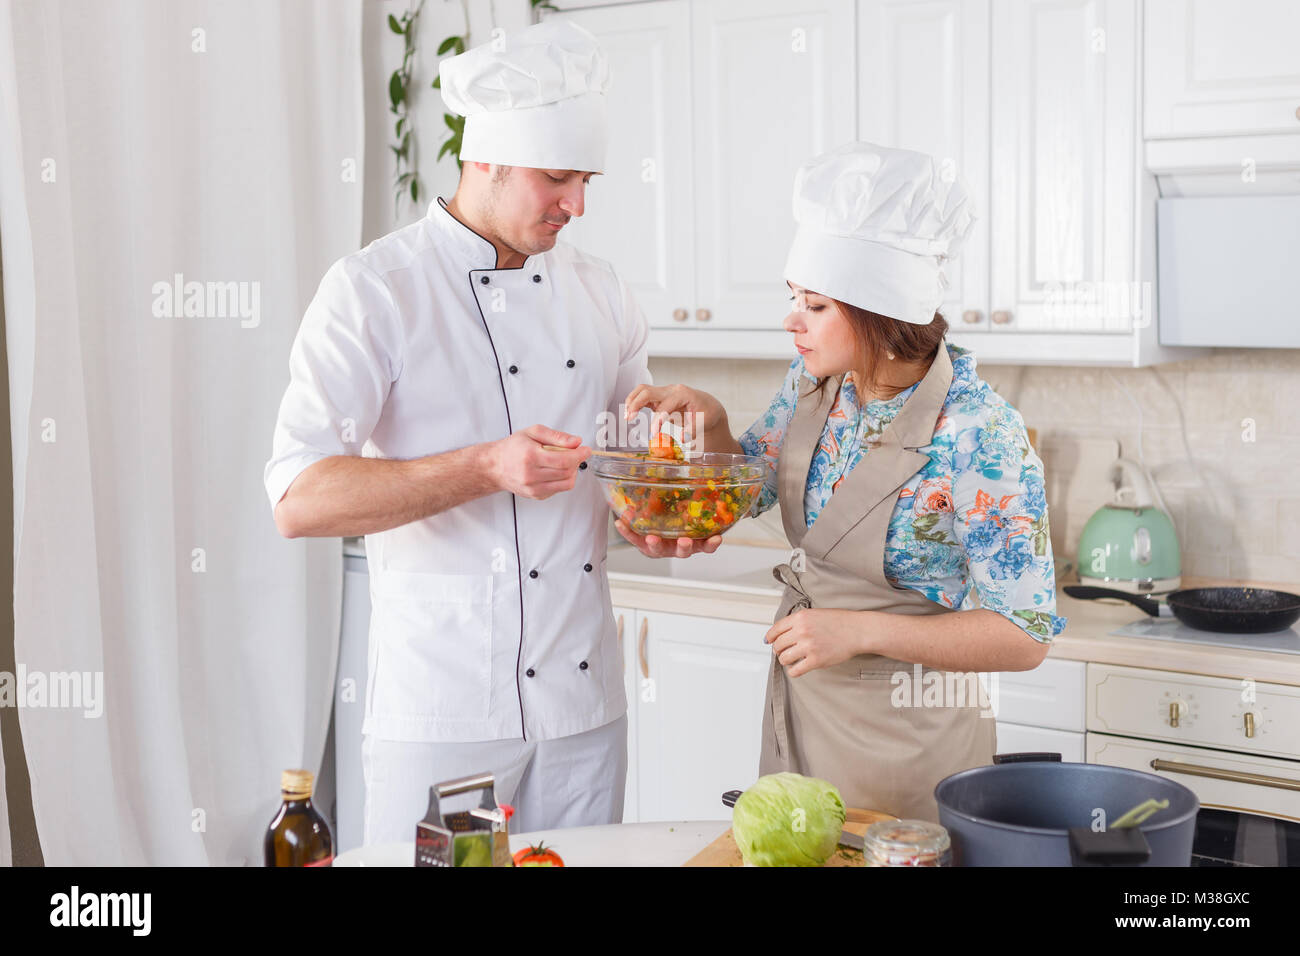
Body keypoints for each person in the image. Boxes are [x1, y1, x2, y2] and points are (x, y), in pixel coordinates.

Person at [263, 21, 713, 844]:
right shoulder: (377, 291)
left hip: (583, 714)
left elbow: (628, 469)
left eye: (587, 179)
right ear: (488, 159)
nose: (577, 204)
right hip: (448, 719)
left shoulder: (603, 292)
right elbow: (299, 499)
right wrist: (483, 466)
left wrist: (662, 516)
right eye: (558, 177)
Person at [622, 142, 1067, 821]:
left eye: (817, 305)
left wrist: (856, 631)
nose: (790, 319)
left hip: (910, 740)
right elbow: (752, 491)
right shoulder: (817, 385)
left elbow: (1024, 634)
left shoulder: (981, 432)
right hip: (803, 712)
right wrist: (712, 427)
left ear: (880, 313)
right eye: (793, 298)